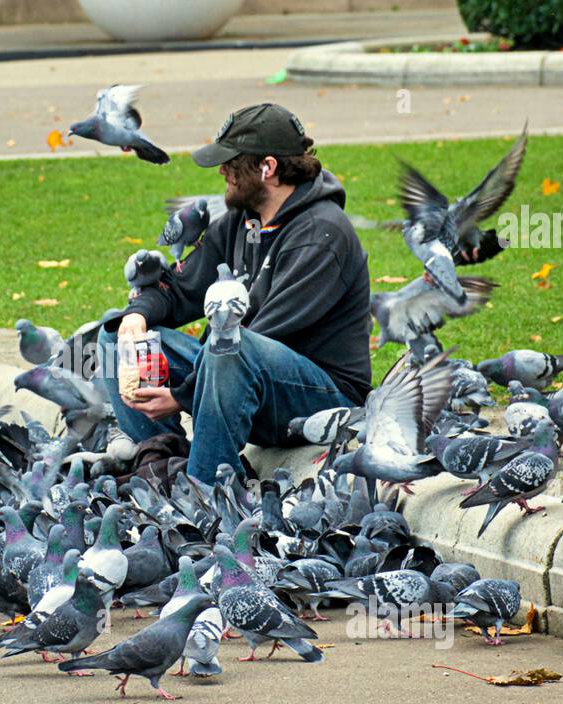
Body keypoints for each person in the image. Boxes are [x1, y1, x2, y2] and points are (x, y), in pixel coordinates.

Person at [98, 102, 372, 484]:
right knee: (115, 334)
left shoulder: (321, 235)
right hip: (235, 368)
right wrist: (137, 315)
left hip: (319, 398)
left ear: (268, 167)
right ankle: (162, 463)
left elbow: (264, 337)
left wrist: (181, 395)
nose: (222, 170)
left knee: (232, 347)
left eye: (231, 161)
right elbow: (180, 289)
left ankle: (205, 494)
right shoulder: (242, 222)